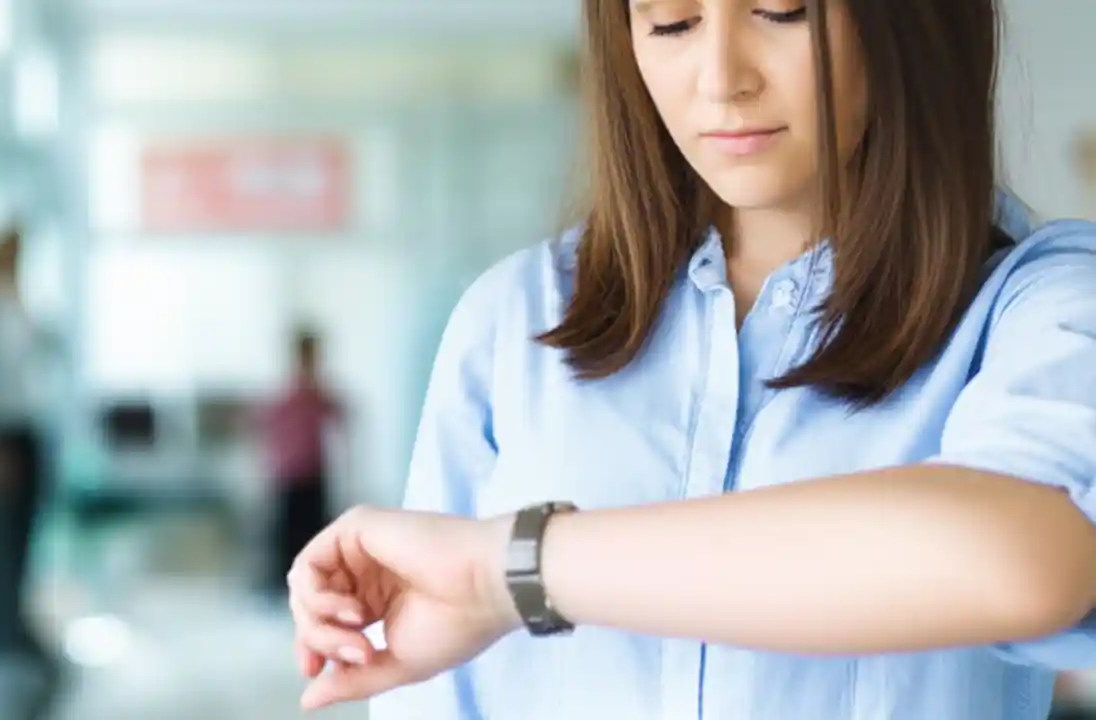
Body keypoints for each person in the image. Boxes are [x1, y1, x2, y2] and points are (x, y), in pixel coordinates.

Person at [287, 0, 1096, 718]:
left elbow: (1021, 562)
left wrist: (511, 571)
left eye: (782, 13)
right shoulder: (515, 319)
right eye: (671, 22)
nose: (720, 80)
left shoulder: (1043, 305)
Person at [0, 221, 55, 664]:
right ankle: (3, 635)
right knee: (2, 536)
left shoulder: (12, 299)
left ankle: (20, 623)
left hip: (25, 425)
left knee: (27, 531)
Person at [261, 328, 345, 595]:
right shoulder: (287, 396)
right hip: (289, 476)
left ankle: (312, 588)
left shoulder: (319, 395)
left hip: (314, 475)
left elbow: (343, 420)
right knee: (288, 540)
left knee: (314, 538)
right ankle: (286, 591)